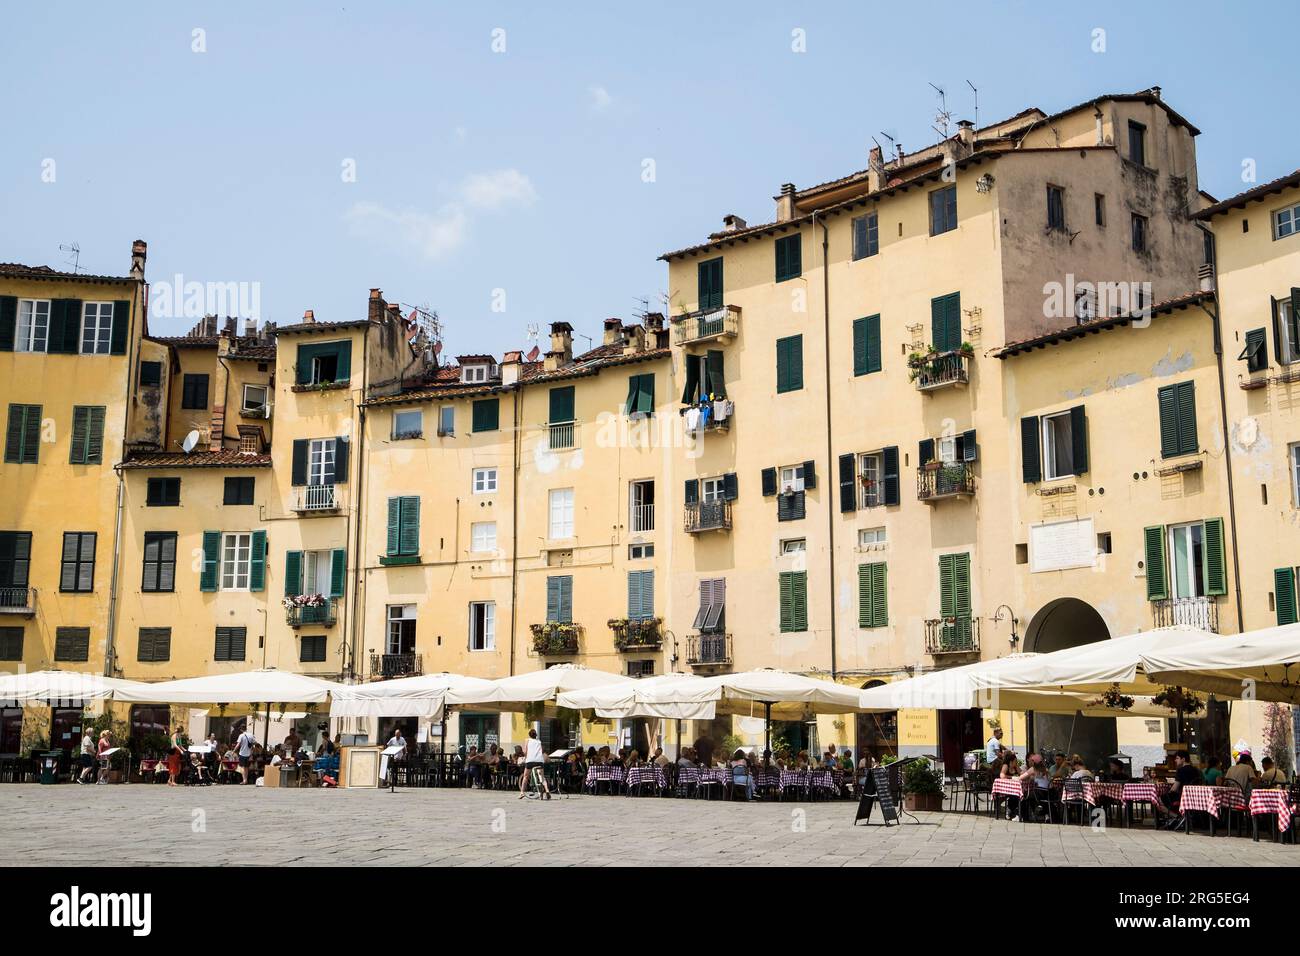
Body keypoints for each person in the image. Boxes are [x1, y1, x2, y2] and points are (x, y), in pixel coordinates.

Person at [1159, 752, 1201, 826]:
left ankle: (1178, 817)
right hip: (1195, 797)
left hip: (1182, 797)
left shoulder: (1181, 770)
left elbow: (1174, 789)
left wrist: (1168, 792)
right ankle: (1182, 817)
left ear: (1183, 759)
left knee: (1159, 800)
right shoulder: (1196, 770)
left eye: (1177, 758)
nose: (1175, 760)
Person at [519, 728, 551, 800]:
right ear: (535, 735)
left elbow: (525, 751)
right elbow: (541, 751)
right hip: (539, 760)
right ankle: (547, 791)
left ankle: (522, 793)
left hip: (530, 760)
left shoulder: (527, 740)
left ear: (529, 735)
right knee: (542, 777)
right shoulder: (539, 741)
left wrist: (525, 758)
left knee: (526, 777)